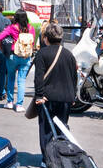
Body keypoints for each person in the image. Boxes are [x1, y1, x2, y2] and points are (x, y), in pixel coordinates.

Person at [32, 22, 78, 159]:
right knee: (62, 127)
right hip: (66, 97)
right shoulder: (69, 54)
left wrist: (39, 95)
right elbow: (73, 77)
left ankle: (47, 158)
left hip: (48, 97)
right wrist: (73, 95)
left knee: (46, 130)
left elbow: (38, 77)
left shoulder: (42, 54)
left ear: (46, 37)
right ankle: (62, 156)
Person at [0, 10, 36, 112]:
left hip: (12, 56)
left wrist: (2, 49)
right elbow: (32, 42)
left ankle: (10, 102)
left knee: (11, 78)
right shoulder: (31, 28)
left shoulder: (12, 28)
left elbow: (0, 37)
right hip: (25, 56)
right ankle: (19, 105)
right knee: (21, 81)